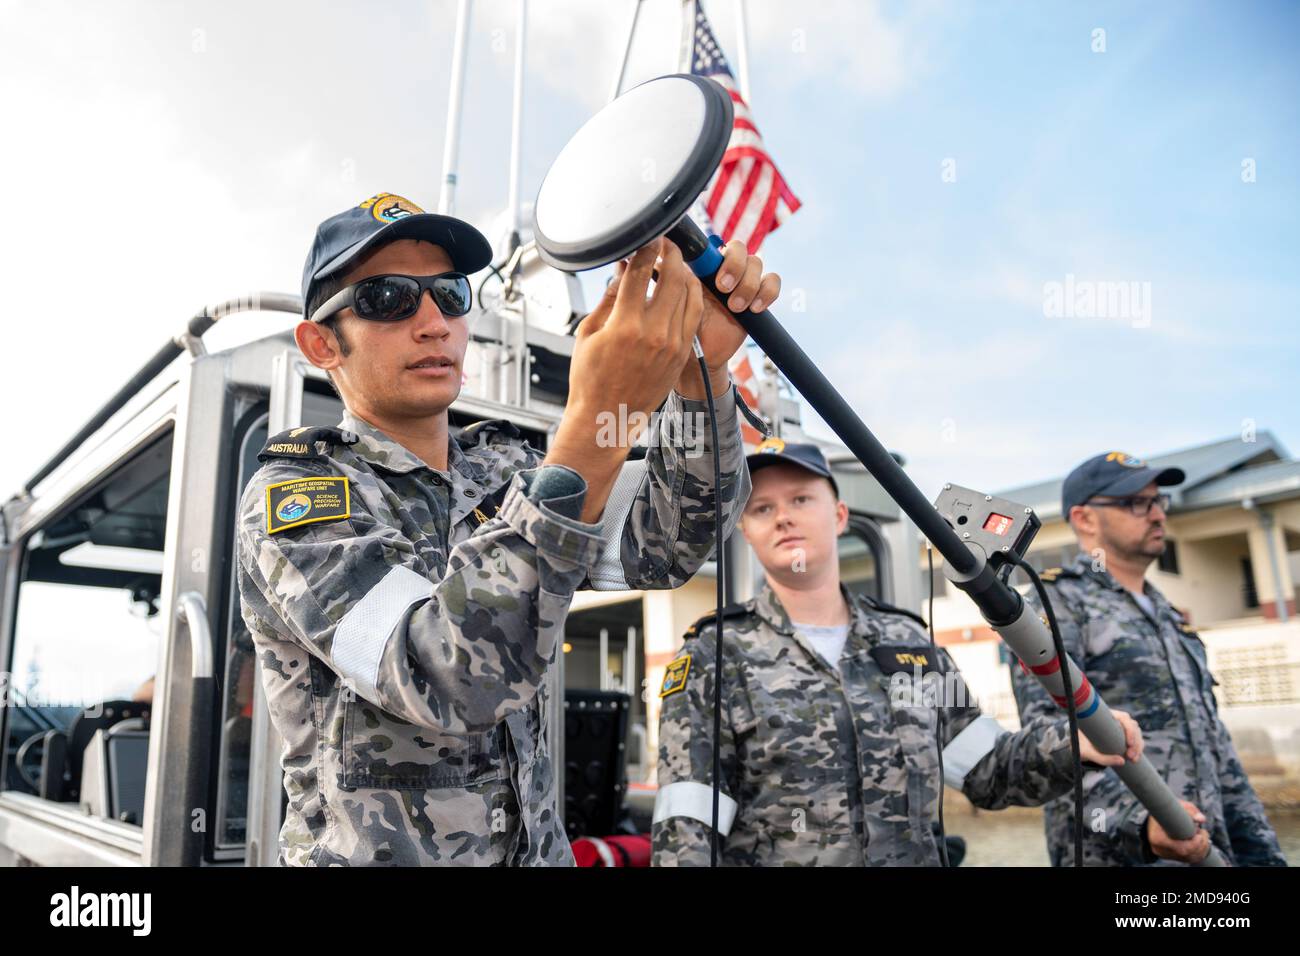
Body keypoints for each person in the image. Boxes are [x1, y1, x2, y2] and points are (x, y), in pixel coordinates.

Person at [236, 191, 780, 865]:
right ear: (321, 342)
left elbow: (668, 545)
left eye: (451, 294)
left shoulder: (507, 468)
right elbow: (443, 673)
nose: (433, 322)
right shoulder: (295, 499)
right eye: (387, 298)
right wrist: (595, 421)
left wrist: (703, 371)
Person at [653, 439, 1143, 866]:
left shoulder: (910, 645)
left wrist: (1072, 745)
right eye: (762, 508)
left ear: (840, 516)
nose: (783, 517)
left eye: (801, 499)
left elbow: (986, 771)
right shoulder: (713, 657)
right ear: (745, 529)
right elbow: (687, 827)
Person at [1012, 451, 1287, 866]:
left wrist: (1261, 855)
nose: (1157, 514)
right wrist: (1143, 824)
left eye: (1159, 501)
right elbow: (1053, 749)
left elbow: (1219, 751)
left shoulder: (1172, 619)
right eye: (1137, 503)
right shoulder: (1055, 605)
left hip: (1209, 852)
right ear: (1085, 519)